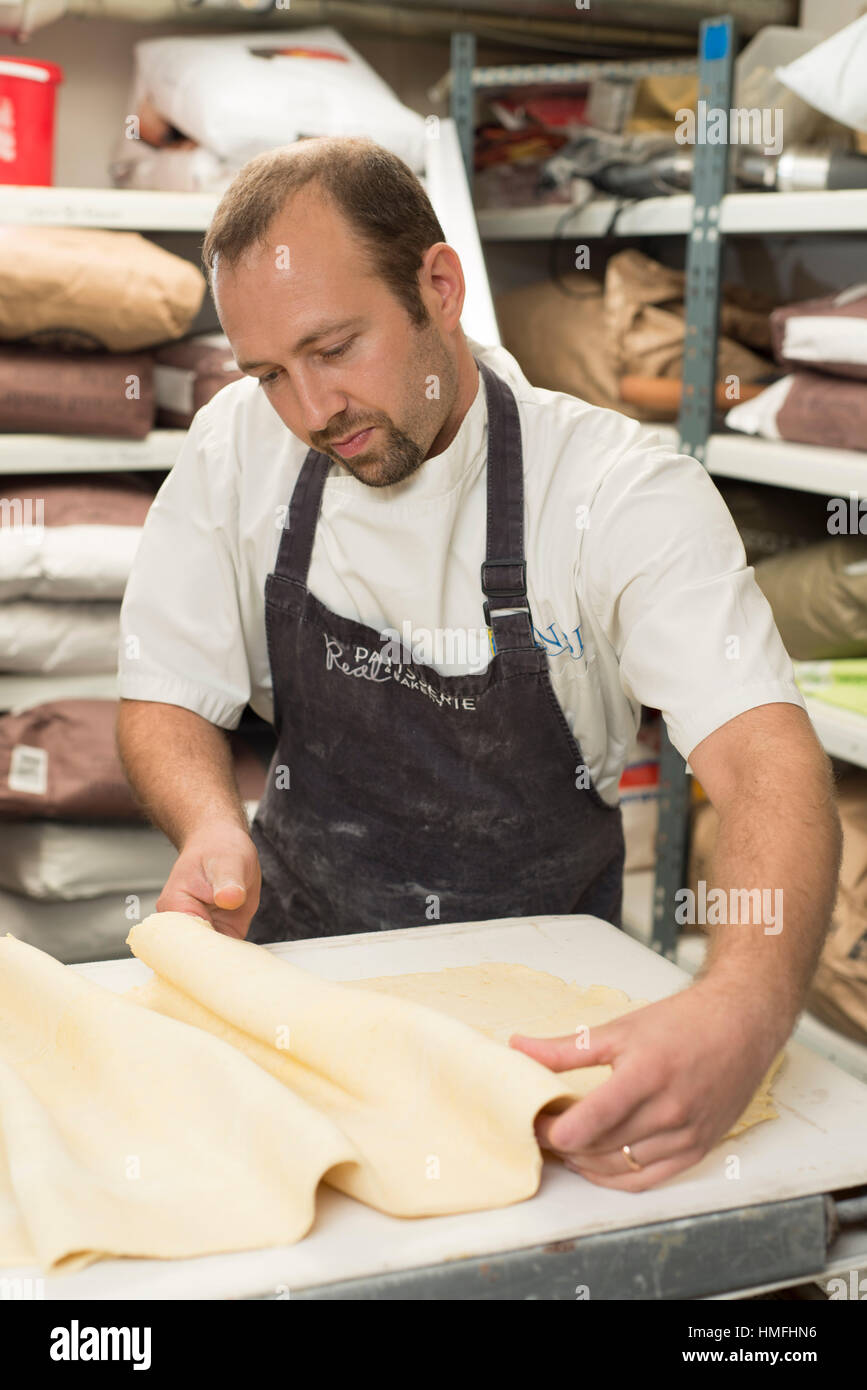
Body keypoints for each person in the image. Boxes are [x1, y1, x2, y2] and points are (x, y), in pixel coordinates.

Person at [117, 137, 841, 1191]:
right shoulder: (241, 444)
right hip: (303, 987)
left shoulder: (614, 491)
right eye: (272, 372)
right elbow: (164, 693)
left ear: (439, 287)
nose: (311, 411)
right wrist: (211, 825)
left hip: (542, 1015)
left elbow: (766, 758)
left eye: (336, 348)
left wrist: (746, 1003)